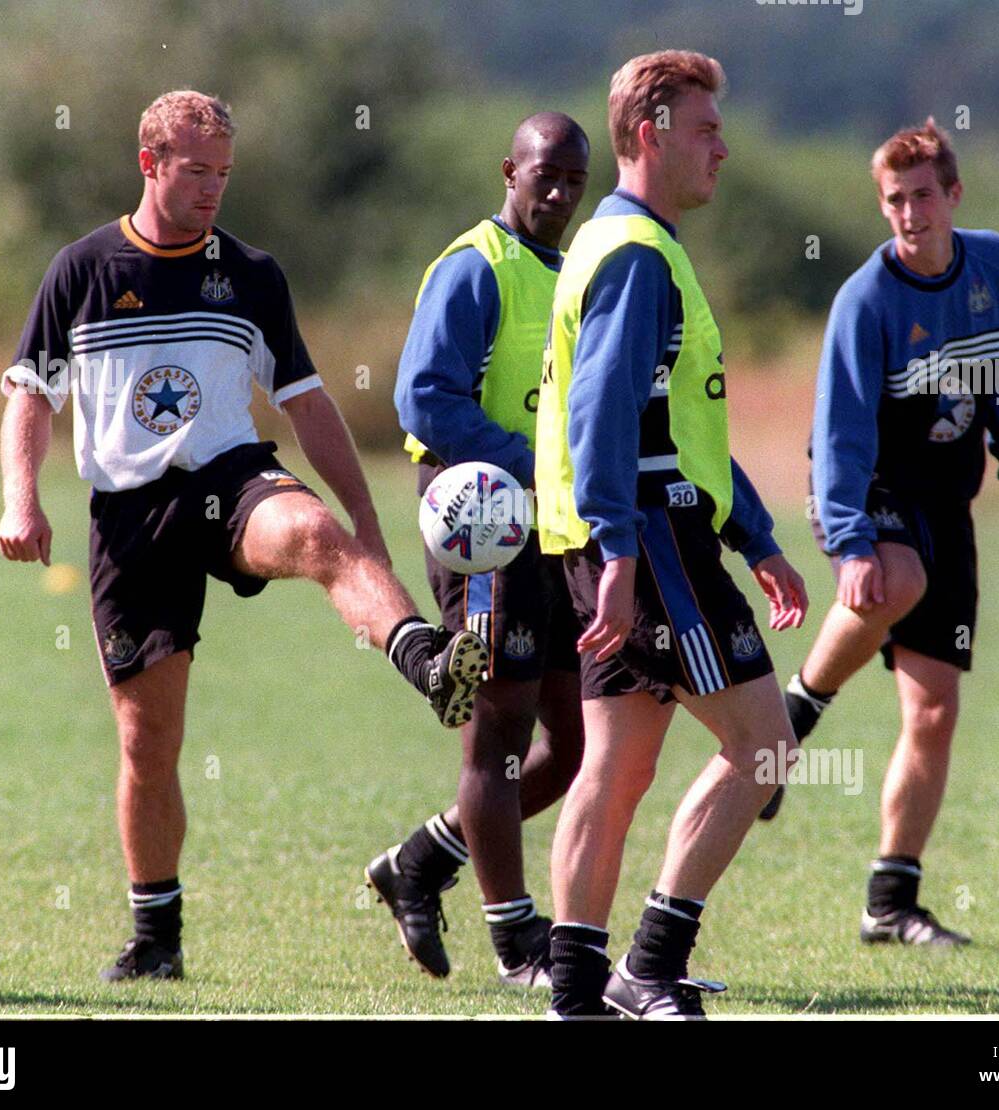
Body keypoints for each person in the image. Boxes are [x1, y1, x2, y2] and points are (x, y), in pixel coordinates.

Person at [0, 90, 487, 982]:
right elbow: (29, 394)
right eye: (196, 172)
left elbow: (307, 404)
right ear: (149, 163)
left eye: (225, 173)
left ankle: (423, 657)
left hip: (228, 483)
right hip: (130, 518)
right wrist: (18, 500)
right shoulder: (83, 268)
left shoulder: (252, 273)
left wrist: (365, 514)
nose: (214, 188)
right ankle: (156, 939)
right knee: (149, 744)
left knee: (313, 534)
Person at [536, 51, 810, 1019]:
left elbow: (673, 425)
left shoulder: (614, 242)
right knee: (765, 746)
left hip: (622, 536)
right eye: (704, 130)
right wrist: (618, 552)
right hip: (647, 544)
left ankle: (574, 995)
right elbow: (605, 416)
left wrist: (757, 534)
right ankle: (649, 966)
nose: (722, 150)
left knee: (617, 767)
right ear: (649, 133)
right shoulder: (638, 258)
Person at [763, 118, 999, 948]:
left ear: (953, 195)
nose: (910, 213)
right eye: (894, 201)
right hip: (869, 486)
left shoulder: (992, 266)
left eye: (923, 196)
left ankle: (890, 903)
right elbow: (840, 429)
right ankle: (796, 716)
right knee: (900, 580)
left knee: (932, 714)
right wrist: (850, 543)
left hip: (946, 500)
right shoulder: (866, 299)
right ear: (882, 207)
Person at [365, 113, 590, 988]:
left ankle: (422, 860)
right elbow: (424, 401)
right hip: (484, 523)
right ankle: (514, 942)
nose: (561, 193)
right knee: (498, 732)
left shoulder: (566, 271)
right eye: (546, 175)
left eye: (575, 179)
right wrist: (529, 462)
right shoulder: (475, 266)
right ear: (509, 169)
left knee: (570, 745)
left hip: (549, 522)